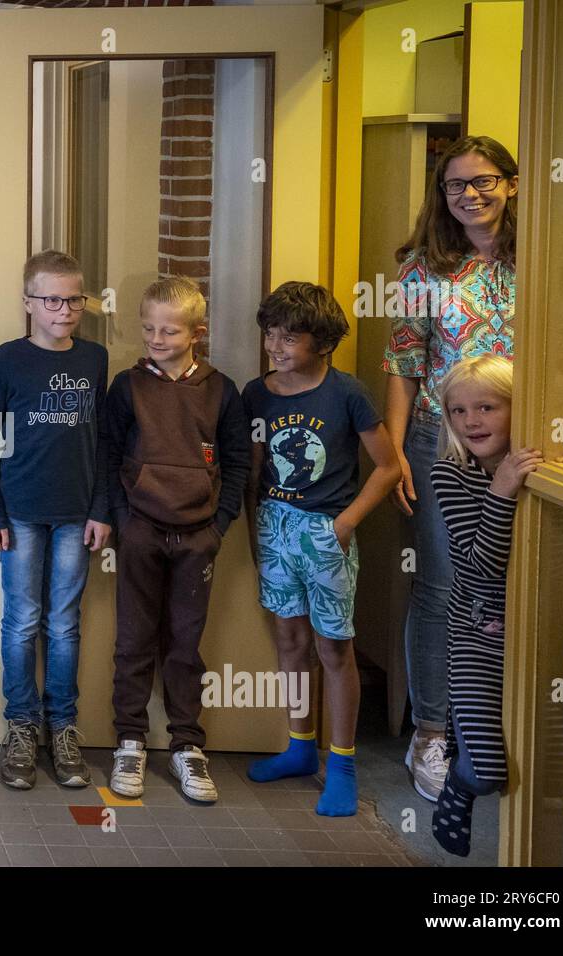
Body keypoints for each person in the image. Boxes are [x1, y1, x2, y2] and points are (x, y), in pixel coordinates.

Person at [383, 135, 563, 803]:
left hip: (540, 442)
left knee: (547, 586)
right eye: (456, 185)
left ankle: (543, 742)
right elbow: (403, 363)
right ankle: (433, 734)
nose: (469, 195)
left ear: (511, 184)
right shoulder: (425, 268)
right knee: (448, 583)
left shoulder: (560, 260)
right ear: (441, 194)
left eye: (483, 181)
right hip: (443, 438)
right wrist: (395, 451)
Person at [428, 355, 563, 856]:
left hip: (545, 635)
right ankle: (458, 780)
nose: (471, 421)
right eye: (458, 411)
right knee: (486, 770)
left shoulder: (550, 472)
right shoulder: (451, 474)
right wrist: (502, 489)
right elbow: (481, 566)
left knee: (537, 759)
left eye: (487, 407)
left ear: (519, 410)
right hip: (477, 638)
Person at [241, 282, 401, 816]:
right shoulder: (256, 393)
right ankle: (299, 746)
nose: (275, 346)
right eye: (270, 334)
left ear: (323, 343)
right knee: (290, 641)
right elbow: (255, 469)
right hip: (274, 528)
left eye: (290, 338)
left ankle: (344, 763)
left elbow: (388, 466)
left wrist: (346, 524)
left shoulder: (347, 392)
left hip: (325, 532)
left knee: (334, 647)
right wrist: (253, 532)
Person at [103, 276, 249, 803]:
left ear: (197, 333)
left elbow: (236, 465)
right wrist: (123, 521)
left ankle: (188, 745)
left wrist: (218, 526)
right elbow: (108, 455)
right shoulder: (127, 386)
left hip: (197, 537)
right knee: (134, 640)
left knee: (185, 645)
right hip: (140, 530)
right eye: (148, 329)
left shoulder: (221, 390)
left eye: (168, 330)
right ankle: (130, 740)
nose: (156, 339)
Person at [0, 250, 111, 790]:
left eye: (74, 298)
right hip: (21, 510)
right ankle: (22, 725)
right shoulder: (8, 360)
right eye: (52, 299)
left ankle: (64, 728)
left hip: (77, 513)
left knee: (64, 623)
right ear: (29, 303)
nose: (65, 309)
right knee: (23, 621)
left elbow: (105, 443)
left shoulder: (95, 359)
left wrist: (101, 508)